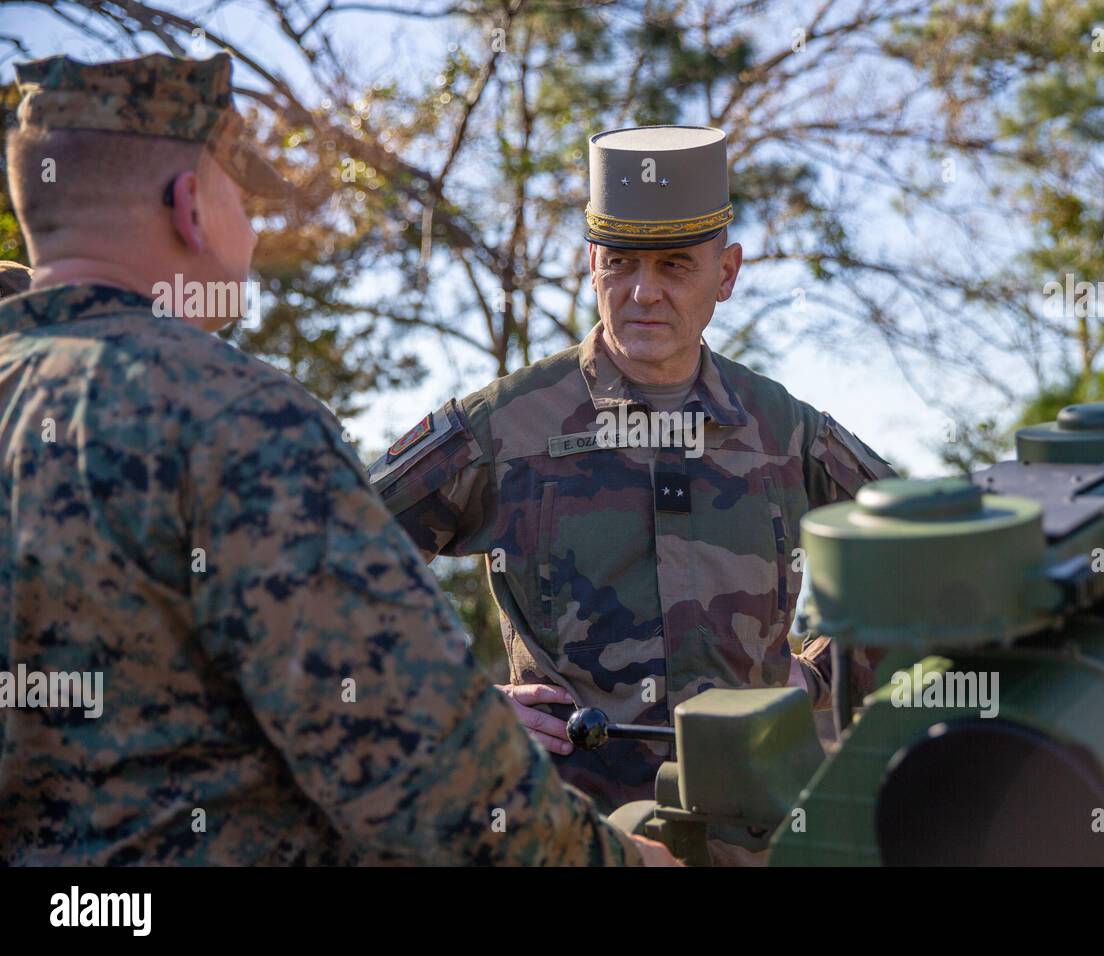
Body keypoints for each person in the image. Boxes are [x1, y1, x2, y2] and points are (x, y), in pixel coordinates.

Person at [0, 51, 672, 866]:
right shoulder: (238, 420)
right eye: (244, 202)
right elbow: (422, 778)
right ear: (191, 208)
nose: (254, 233)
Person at [369, 125, 895, 816]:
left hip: (757, 826)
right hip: (573, 831)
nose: (643, 292)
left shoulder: (782, 428)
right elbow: (314, 565)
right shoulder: (506, 426)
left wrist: (823, 677)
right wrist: (454, 704)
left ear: (727, 273)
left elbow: (927, 552)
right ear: (592, 264)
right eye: (620, 263)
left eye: (675, 265)